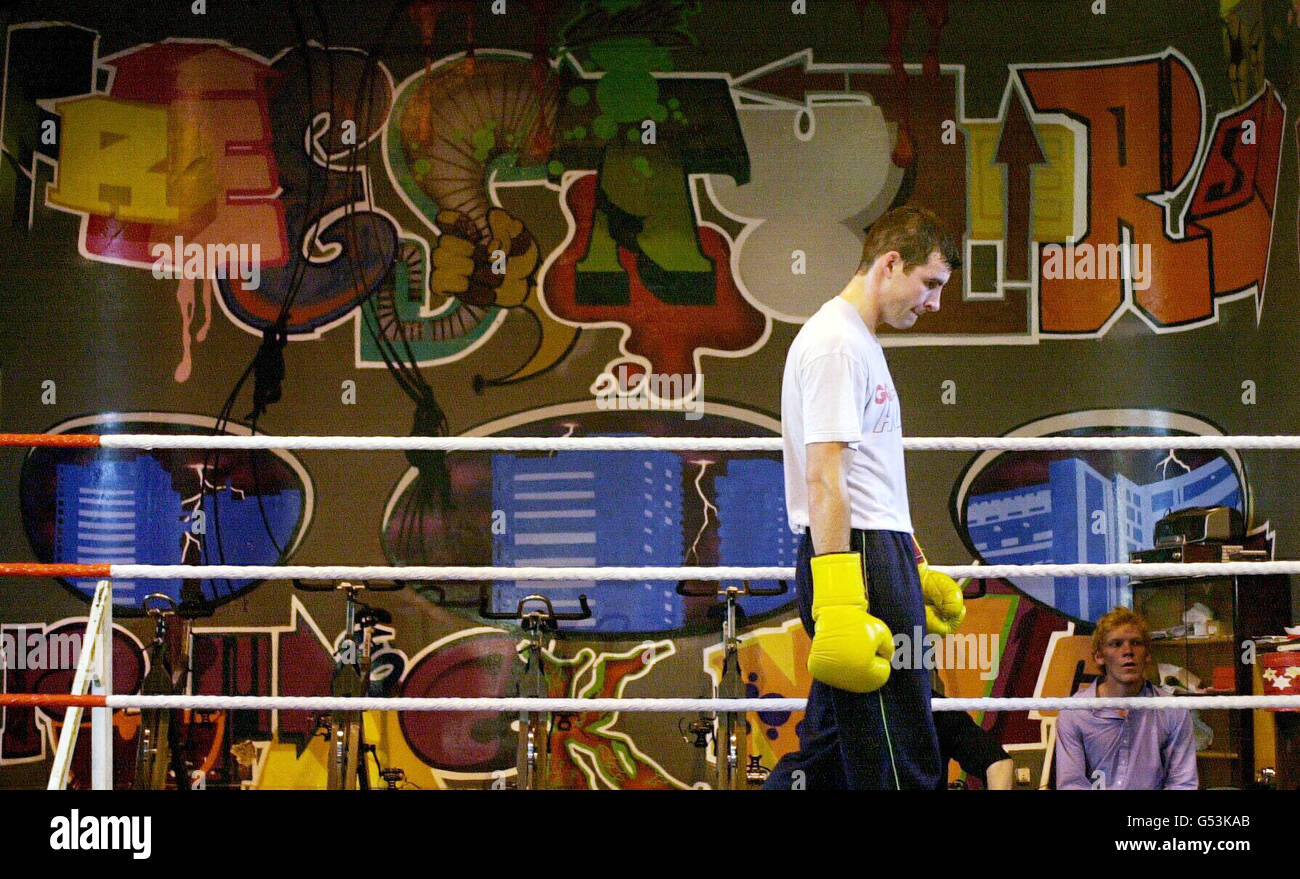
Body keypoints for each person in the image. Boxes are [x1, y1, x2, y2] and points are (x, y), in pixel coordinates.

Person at [763, 205, 962, 790]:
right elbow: (826, 478)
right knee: (899, 747)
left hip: (875, 552)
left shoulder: (857, 342)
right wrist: (843, 596)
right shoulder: (835, 344)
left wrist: (914, 565)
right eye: (930, 284)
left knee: (826, 754)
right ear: (891, 263)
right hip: (855, 560)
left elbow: (869, 479)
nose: (933, 304)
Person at [1054, 607, 1199, 790]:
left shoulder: (1172, 710)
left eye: (1136, 643)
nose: (1128, 651)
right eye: (1116, 644)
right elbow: (1071, 785)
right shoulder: (1075, 712)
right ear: (1099, 656)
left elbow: (1182, 784)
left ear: (1147, 654)